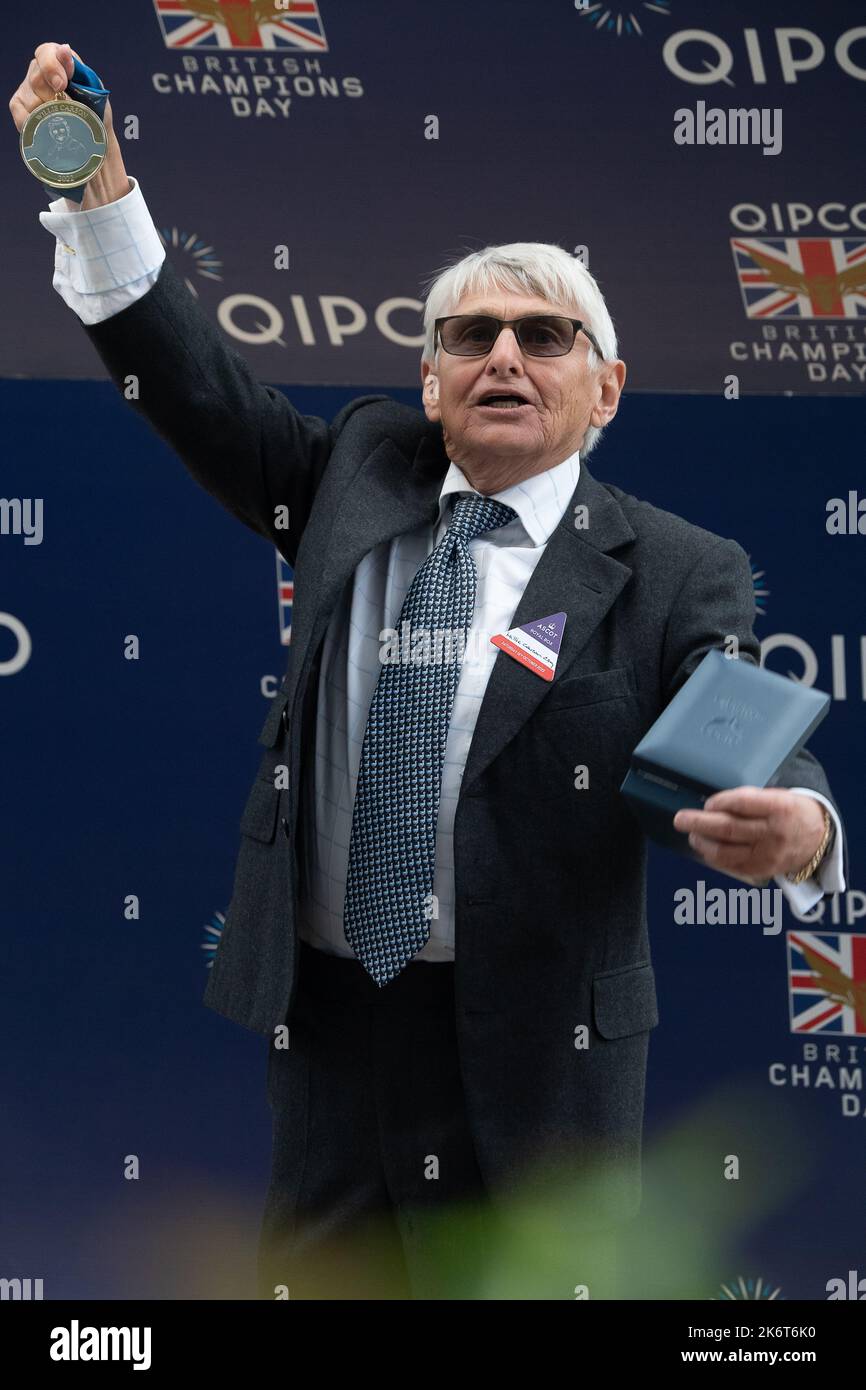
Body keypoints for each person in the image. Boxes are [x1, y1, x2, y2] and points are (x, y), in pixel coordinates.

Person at [11, 42, 848, 1301]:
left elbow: (734, 716)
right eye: (470, 335)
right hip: (336, 1022)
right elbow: (192, 386)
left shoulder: (676, 564)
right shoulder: (354, 470)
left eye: (542, 336)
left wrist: (799, 820)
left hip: (541, 1044)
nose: (503, 355)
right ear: (430, 380)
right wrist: (95, 189)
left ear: (605, 387)